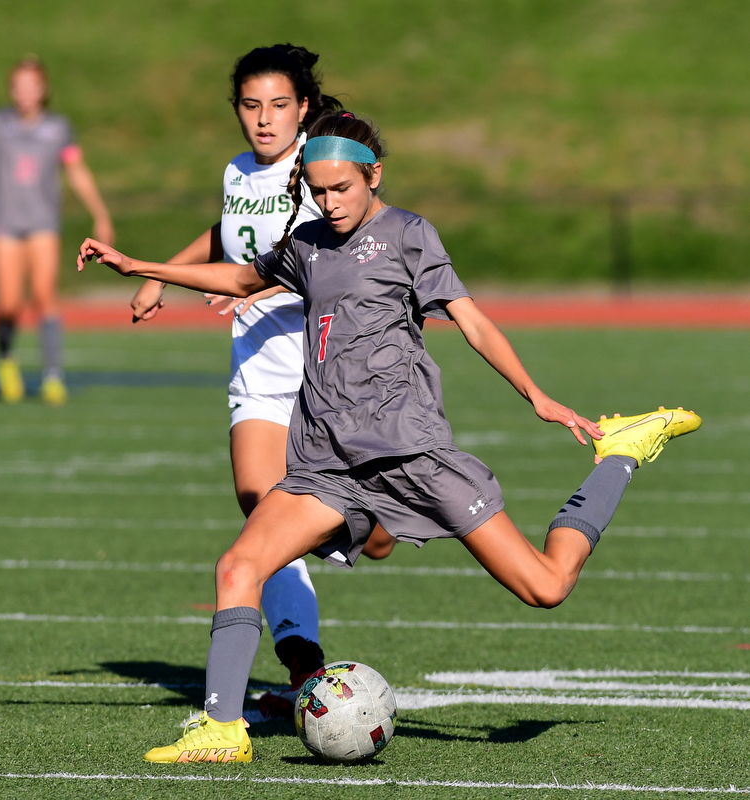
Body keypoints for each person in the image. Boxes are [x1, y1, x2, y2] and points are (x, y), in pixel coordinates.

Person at [77, 110, 702, 764]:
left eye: (342, 188)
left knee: (545, 586)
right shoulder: (307, 243)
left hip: (412, 454)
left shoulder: (408, 235)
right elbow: (240, 277)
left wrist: (537, 396)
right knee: (239, 566)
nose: (330, 202)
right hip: (328, 466)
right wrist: (139, 266)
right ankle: (223, 728)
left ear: (373, 175)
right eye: (317, 191)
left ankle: (620, 454)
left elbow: (474, 322)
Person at [128, 45, 396, 720]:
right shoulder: (238, 170)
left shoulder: (321, 171)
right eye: (251, 106)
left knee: (334, 528)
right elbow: (229, 231)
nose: (263, 120)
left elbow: (352, 247)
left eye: (279, 105)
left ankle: (375, 520)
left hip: (323, 368)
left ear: (304, 107)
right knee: (258, 504)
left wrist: (269, 287)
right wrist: (162, 272)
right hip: (256, 368)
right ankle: (305, 666)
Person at [0, 55, 114, 404]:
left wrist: (100, 213)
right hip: (4, 223)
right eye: (18, 86)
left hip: (43, 223)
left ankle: (52, 376)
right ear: (11, 90)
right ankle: (6, 360)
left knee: (44, 296)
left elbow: (76, 170)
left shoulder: (58, 127)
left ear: (43, 89)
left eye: (32, 86)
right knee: (8, 303)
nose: (25, 93)